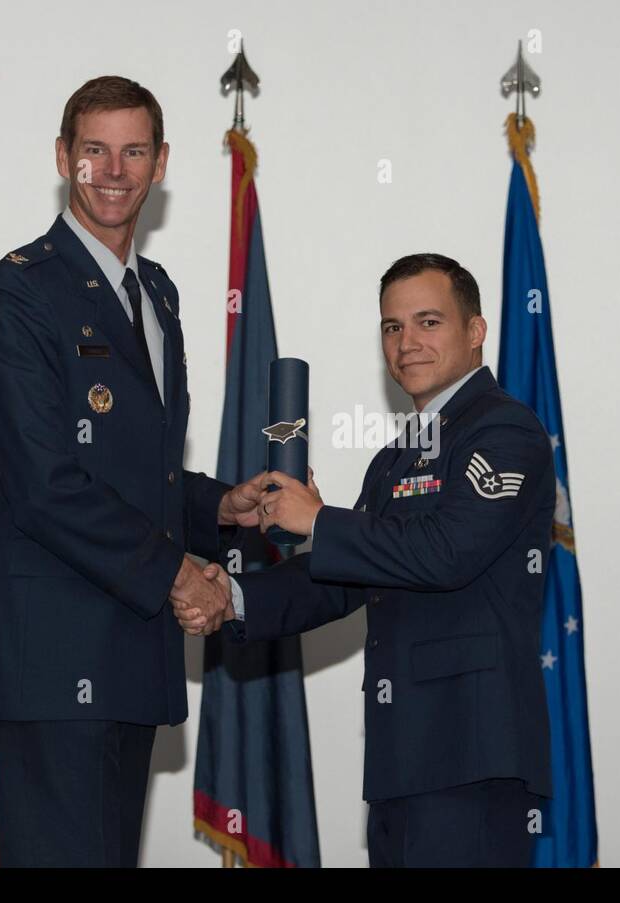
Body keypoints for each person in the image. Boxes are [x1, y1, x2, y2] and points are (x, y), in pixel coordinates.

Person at [0, 76, 260, 867]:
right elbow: (44, 486)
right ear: (64, 158)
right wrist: (174, 573)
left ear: (161, 163)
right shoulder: (10, 292)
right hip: (56, 663)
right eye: (95, 150)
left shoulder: (155, 294)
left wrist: (221, 506)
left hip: (129, 658)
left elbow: (145, 478)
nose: (115, 170)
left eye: (134, 151)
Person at [176, 253, 554, 867]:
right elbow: (344, 576)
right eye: (392, 326)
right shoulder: (396, 458)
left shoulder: (506, 430)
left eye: (428, 322)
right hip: (400, 758)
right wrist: (234, 597)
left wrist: (319, 520)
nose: (407, 343)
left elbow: (449, 552)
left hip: (472, 755)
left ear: (476, 331)